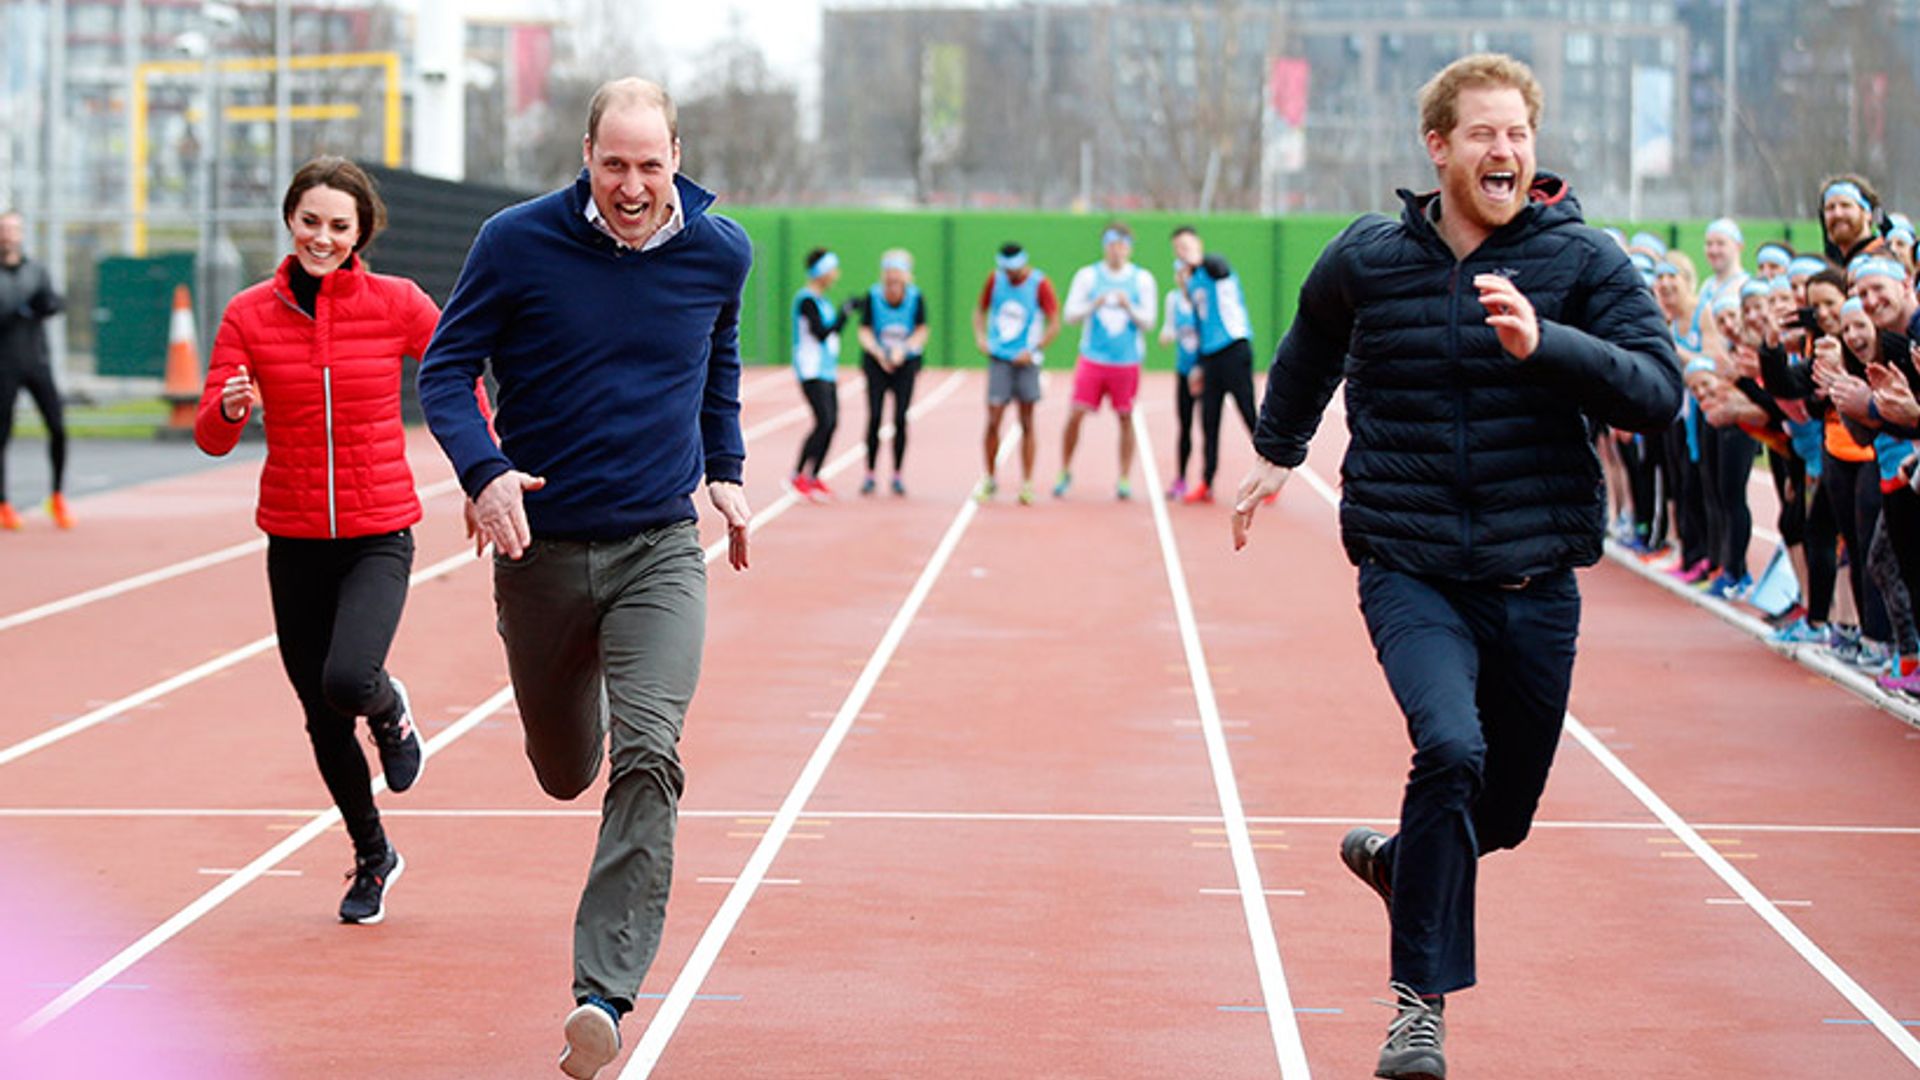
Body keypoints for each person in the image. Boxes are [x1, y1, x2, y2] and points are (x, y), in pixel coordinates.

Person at [1227, 54, 1681, 1080]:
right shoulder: (1368, 258)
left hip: (1535, 578)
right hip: (1409, 563)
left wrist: (1549, 345)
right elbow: (1307, 348)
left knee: (1500, 819)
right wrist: (1275, 451)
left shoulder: (1583, 264)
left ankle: (1404, 865)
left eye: (1518, 133)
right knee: (1450, 748)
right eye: (1483, 133)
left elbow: (1658, 391)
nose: (1505, 150)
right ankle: (1417, 1012)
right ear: (1438, 147)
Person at [416, 77, 753, 1080]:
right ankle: (579, 712)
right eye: (615, 164)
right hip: (541, 554)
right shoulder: (516, 243)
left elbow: (717, 362)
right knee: (567, 768)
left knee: (649, 754)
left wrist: (726, 470)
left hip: (658, 546)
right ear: (585, 154)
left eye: (652, 165)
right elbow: (445, 369)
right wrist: (484, 475)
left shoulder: (720, 251)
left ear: (678, 159)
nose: (634, 186)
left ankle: (601, 996)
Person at [194, 156, 445, 926]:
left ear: (361, 230)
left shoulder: (398, 303)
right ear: (290, 220)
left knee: (348, 679)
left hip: (378, 531)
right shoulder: (249, 315)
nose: (323, 238)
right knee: (321, 715)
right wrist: (233, 408)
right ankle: (373, 855)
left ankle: (391, 709)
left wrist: (485, 466)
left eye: (340, 226)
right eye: (311, 222)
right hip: (294, 536)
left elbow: (457, 373)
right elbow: (208, 434)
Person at [1053, 222, 1155, 500]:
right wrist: (1093, 304)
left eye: (1122, 244)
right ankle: (1064, 469)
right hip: (1093, 358)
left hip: (1127, 361)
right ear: (1104, 246)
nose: (1117, 250)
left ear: (1130, 247)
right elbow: (1070, 315)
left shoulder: (1142, 279)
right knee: (1075, 414)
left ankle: (1123, 477)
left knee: (1125, 417)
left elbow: (1149, 321)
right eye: (1112, 244)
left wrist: (1128, 306)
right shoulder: (1088, 277)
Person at [1172, 225, 1258, 504]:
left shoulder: (1214, 267)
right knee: (1209, 420)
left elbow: (1218, 266)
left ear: (1197, 245)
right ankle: (1207, 481)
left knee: (1247, 412)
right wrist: (1197, 365)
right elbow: (1198, 325)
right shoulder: (1193, 283)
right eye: (1178, 249)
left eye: (1187, 246)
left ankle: (1272, 469)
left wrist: (1196, 260)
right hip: (1210, 357)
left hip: (1233, 347)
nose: (1182, 253)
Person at [972, 242, 1060, 505]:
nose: (1010, 274)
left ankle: (1027, 483)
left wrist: (1034, 348)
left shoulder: (1040, 283)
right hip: (999, 358)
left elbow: (1055, 322)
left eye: (1014, 269)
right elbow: (979, 309)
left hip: (1026, 361)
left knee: (1027, 421)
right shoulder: (995, 280)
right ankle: (989, 479)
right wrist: (980, 336)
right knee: (993, 419)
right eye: (1006, 269)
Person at [0, 210, 71, 531]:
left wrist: (48, 304)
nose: (9, 235)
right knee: (2, 434)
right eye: (3, 229)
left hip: (37, 362)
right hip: (4, 365)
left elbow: (55, 302)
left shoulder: (36, 271)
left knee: (57, 427)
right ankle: (3, 503)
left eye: (14, 229)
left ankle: (56, 496)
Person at [854, 248, 929, 496]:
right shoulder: (873, 297)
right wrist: (878, 352)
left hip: (904, 363)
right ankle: (870, 473)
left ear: (906, 278)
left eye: (898, 280)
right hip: (877, 363)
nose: (893, 284)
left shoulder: (916, 298)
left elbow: (921, 330)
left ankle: (897, 474)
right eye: (890, 279)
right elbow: (864, 330)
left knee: (900, 418)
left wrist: (903, 350)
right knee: (875, 416)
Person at [791, 247, 846, 500]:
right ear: (821, 272)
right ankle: (798, 473)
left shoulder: (822, 300)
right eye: (832, 270)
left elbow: (831, 333)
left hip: (827, 369)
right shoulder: (807, 300)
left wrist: (844, 316)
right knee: (823, 420)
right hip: (811, 369)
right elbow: (820, 332)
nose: (836, 275)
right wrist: (843, 315)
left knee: (832, 422)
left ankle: (814, 476)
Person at [1160, 259, 1202, 500]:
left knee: (1208, 426)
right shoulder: (1173, 299)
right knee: (1184, 425)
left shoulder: (1203, 299)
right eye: (1179, 274)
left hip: (1205, 371)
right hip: (1184, 370)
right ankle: (1181, 478)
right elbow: (1170, 328)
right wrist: (1166, 336)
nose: (1182, 278)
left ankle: (1207, 479)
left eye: (1186, 273)